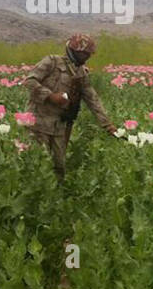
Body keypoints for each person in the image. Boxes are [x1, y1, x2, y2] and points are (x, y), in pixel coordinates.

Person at [23, 33, 118, 182]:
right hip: (38, 124)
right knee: (36, 166)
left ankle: (55, 200)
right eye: (85, 54)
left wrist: (107, 125)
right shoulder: (52, 62)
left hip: (60, 127)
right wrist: (50, 96)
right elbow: (29, 81)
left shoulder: (81, 73)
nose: (87, 57)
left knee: (59, 168)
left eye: (89, 54)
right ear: (74, 50)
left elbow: (92, 99)